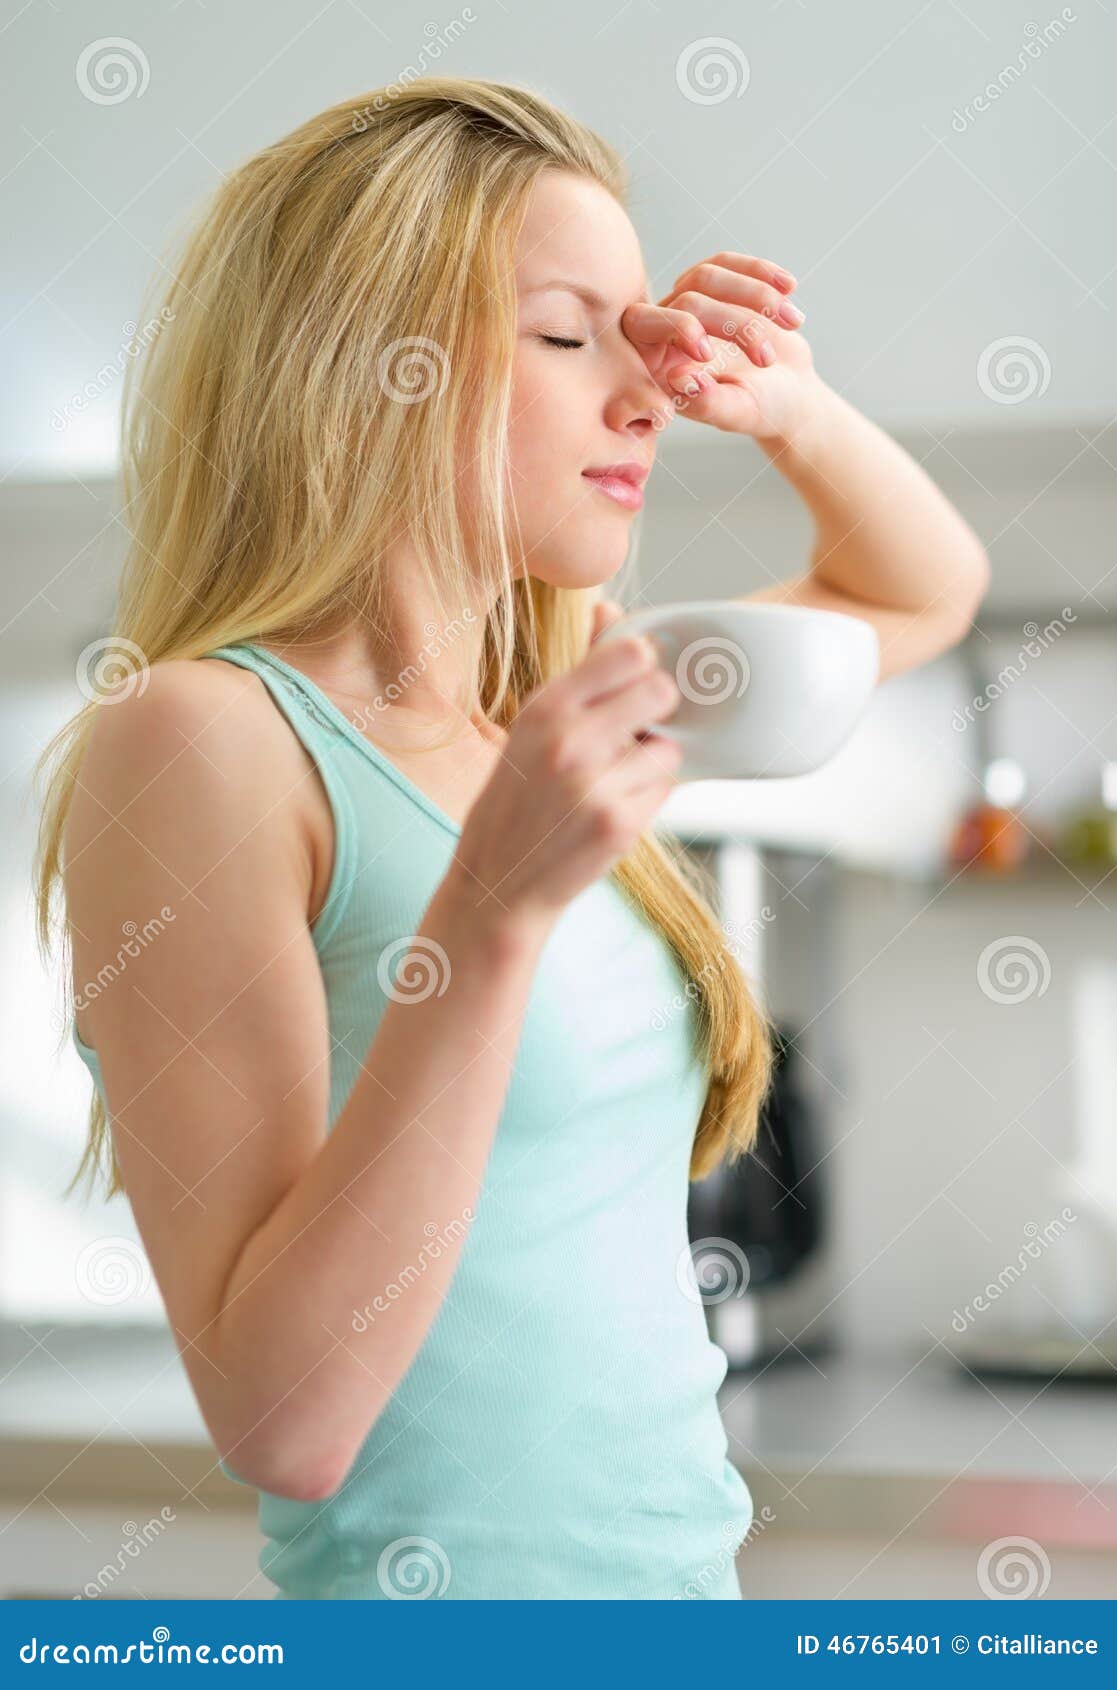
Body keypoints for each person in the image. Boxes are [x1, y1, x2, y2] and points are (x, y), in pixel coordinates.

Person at [35, 77, 988, 1600]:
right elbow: (286, 1422)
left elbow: (919, 594)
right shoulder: (205, 739)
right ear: (367, 370)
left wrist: (793, 409)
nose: (646, 393)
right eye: (567, 335)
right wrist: (488, 914)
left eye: (646, 336)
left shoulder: (555, 702)